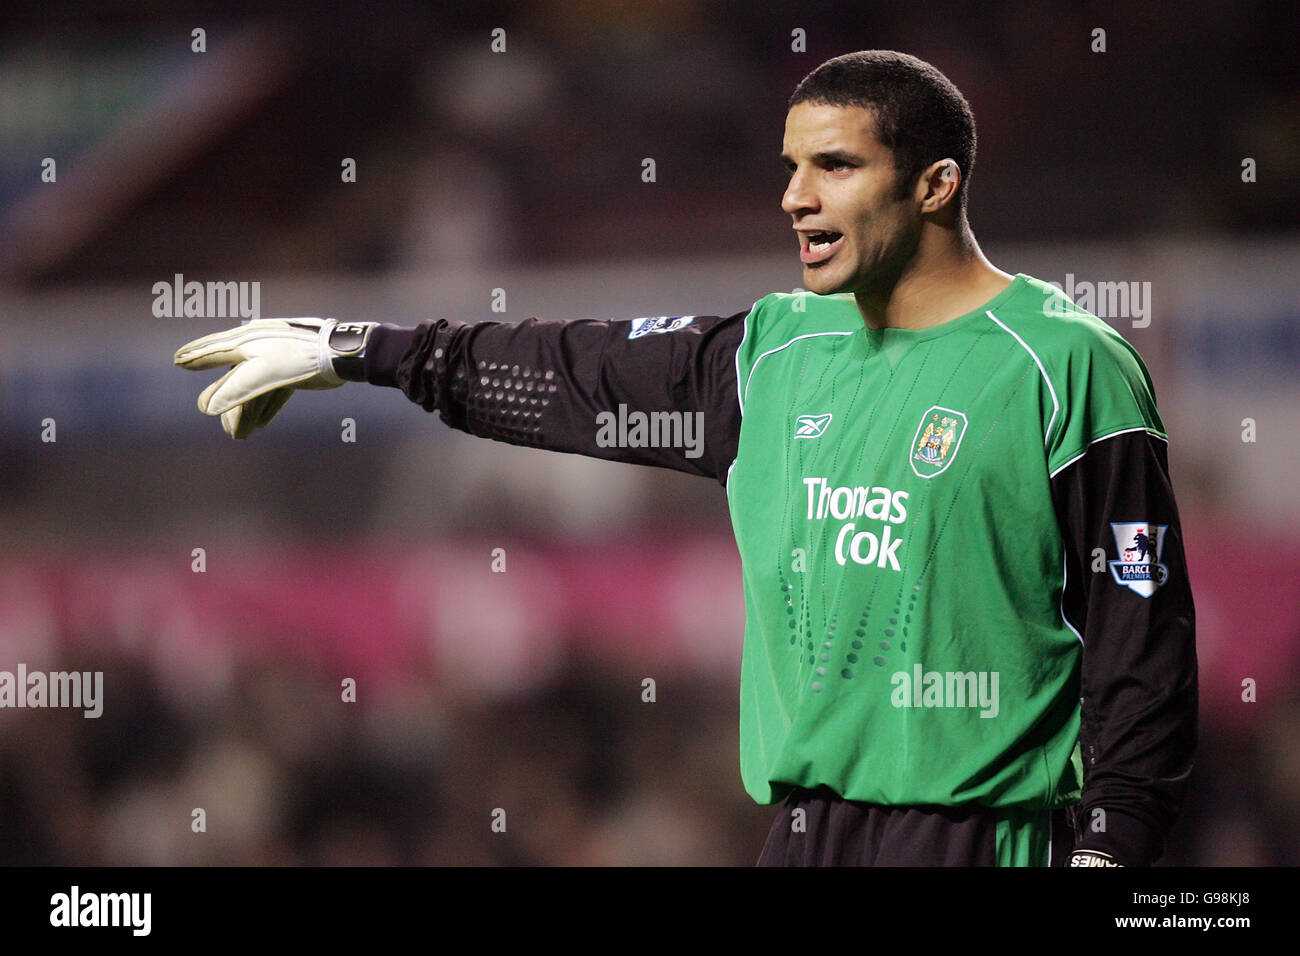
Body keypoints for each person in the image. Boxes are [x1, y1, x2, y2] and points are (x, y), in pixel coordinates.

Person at [175, 50, 1196, 866]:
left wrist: (1109, 849)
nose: (795, 196)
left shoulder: (1065, 365)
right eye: (790, 166)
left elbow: (1139, 648)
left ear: (936, 184)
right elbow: (573, 373)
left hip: (988, 838)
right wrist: (362, 351)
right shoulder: (772, 353)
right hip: (805, 834)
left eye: (834, 166)